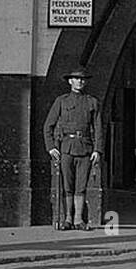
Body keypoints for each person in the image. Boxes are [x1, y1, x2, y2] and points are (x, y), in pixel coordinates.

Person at [43, 67, 103, 231]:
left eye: (82, 79)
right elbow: (48, 126)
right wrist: (51, 148)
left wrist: (97, 150)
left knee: (81, 186)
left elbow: (98, 128)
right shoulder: (61, 101)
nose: (80, 82)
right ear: (70, 81)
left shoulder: (92, 102)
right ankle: (67, 219)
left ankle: (78, 220)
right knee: (67, 185)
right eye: (76, 79)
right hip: (66, 148)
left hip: (85, 148)